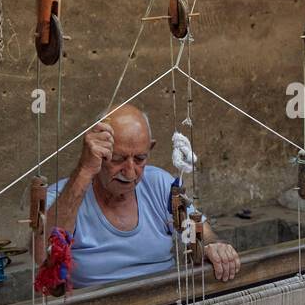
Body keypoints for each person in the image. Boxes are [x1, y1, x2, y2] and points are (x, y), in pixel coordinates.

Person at [44, 105, 240, 288]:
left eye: (139, 159)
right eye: (118, 159)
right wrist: (85, 169)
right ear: (97, 153)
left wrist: (214, 247)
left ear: (150, 149)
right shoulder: (63, 197)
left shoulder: (161, 185)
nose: (130, 173)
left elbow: (201, 235)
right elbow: (42, 254)